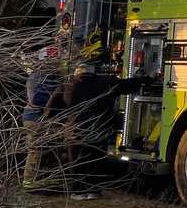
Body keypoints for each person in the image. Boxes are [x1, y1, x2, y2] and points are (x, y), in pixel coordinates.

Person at [46, 62, 150, 198]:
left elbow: (51, 108)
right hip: (99, 131)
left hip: (74, 132)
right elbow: (128, 84)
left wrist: (57, 123)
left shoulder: (67, 86)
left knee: (77, 163)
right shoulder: (106, 83)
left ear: (77, 73)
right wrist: (146, 79)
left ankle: (77, 191)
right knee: (95, 161)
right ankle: (93, 191)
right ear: (93, 72)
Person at [22, 59, 60, 191]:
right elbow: (38, 100)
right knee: (35, 150)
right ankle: (29, 180)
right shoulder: (41, 79)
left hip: (30, 116)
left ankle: (40, 178)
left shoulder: (33, 77)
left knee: (43, 148)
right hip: (35, 118)